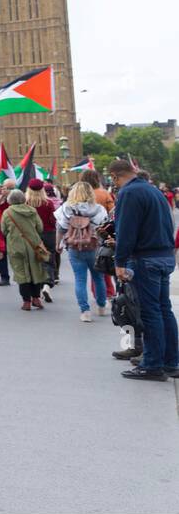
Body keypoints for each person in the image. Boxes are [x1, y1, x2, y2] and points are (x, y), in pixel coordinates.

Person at [108, 160, 179, 380]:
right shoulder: (154, 190)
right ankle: (171, 361)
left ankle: (153, 364)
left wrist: (119, 261)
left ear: (115, 176)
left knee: (150, 312)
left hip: (144, 259)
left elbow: (127, 231)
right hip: (163, 256)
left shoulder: (129, 193)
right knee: (163, 310)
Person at [54, 181, 110, 323]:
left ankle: (85, 311)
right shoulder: (98, 208)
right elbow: (104, 227)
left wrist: (58, 244)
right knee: (98, 278)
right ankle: (102, 306)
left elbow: (61, 228)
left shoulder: (66, 208)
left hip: (74, 246)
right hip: (94, 246)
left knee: (80, 279)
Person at [0, 189, 48, 311]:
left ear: (10, 200)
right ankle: (36, 298)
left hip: (16, 246)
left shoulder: (7, 212)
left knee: (21, 274)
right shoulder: (32, 210)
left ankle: (26, 301)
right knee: (35, 272)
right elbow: (40, 228)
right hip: (33, 245)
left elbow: (4, 230)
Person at [27, 179, 60, 302]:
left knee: (34, 261)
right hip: (48, 234)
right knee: (48, 260)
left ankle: (36, 288)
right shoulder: (48, 203)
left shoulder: (26, 203)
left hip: (32, 235)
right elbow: (53, 220)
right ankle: (47, 285)